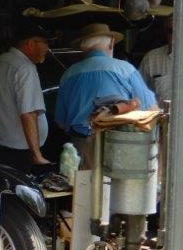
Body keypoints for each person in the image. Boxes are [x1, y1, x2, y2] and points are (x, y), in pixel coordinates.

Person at [54, 22, 158, 169]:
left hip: (80, 148)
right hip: (118, 144)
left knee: (84, 188)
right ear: (112, 43)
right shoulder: (125, 69)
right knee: (117, 189)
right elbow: (151, 109)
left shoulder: (68, 74)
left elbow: (61, 122)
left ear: (83, 49)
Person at [0, 20, 54, 172]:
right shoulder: (25, 69)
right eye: (45, 43)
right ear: (31, 44)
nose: (48, 48)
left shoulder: (1, 61)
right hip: (20, 151)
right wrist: (37, 155)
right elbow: (28, 114)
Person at [140, 15, 173, 104]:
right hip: (160, 116)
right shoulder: (151, 59)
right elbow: (140, 93)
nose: (176, 35)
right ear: (165, 32)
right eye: (171, 31)